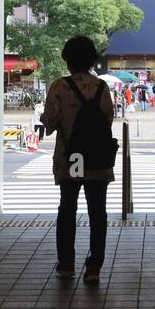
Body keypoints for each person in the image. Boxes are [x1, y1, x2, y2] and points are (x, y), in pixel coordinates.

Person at [41, 36, 115, 284]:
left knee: (68, 207)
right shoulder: (103, 87)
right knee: (98, 211)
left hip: (71, 156)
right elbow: (107, 121)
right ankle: (94, 266)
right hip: (96, 155)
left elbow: (50, 125)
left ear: (67, 59)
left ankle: (66, 263)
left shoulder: (59, 87)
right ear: (93, 60)